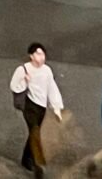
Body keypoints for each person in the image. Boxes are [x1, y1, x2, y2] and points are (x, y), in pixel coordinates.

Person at [10, 42, 65, 178]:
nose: (41, 57)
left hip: (42, 107)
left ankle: (26, 158)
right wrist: (25, 80)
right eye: (38, 54)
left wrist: (56, 107)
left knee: (34, 133)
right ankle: (38, 164)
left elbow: (52, 88)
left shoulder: (47, 70)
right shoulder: (23, 69)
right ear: (31, 56)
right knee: (34, 131)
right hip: (30, 106)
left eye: (43, 54)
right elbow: (14, 86)